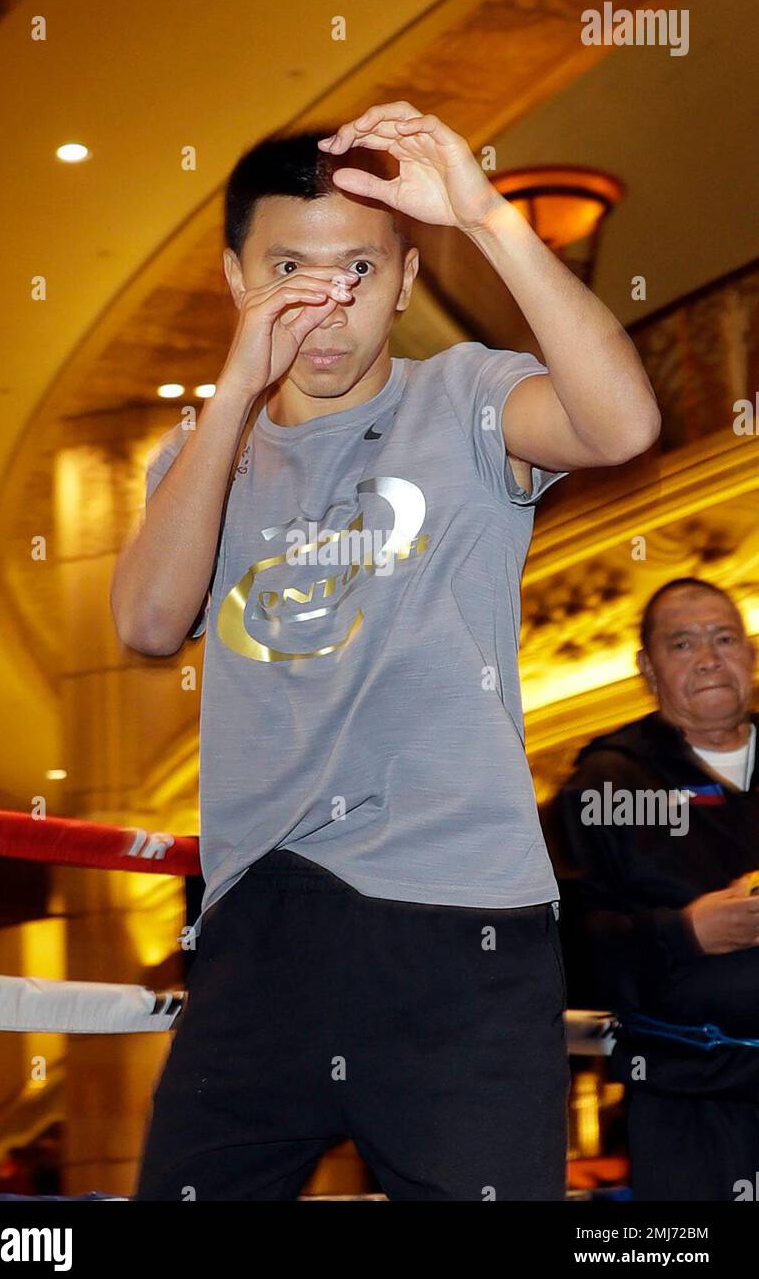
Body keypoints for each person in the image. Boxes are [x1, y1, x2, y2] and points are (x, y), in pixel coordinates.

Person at [111, 101, 660, 1201]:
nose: (326, 306)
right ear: (234, 278)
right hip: (260, 923)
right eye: (288, 272)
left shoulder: (464, 397)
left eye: (359, 268)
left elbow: (621, 428)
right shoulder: (202, 453)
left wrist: (488, 219)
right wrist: (230, 397)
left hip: (462, 929)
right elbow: (145, 621)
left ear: (406, 279)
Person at [551, 578, 759, 1201]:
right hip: (691, 1097)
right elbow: (559, 947)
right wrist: (684, 933)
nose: (707, 657)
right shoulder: (608, 783)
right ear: (647, 668)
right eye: (681, 643)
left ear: (750, 652)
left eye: (724, 638)